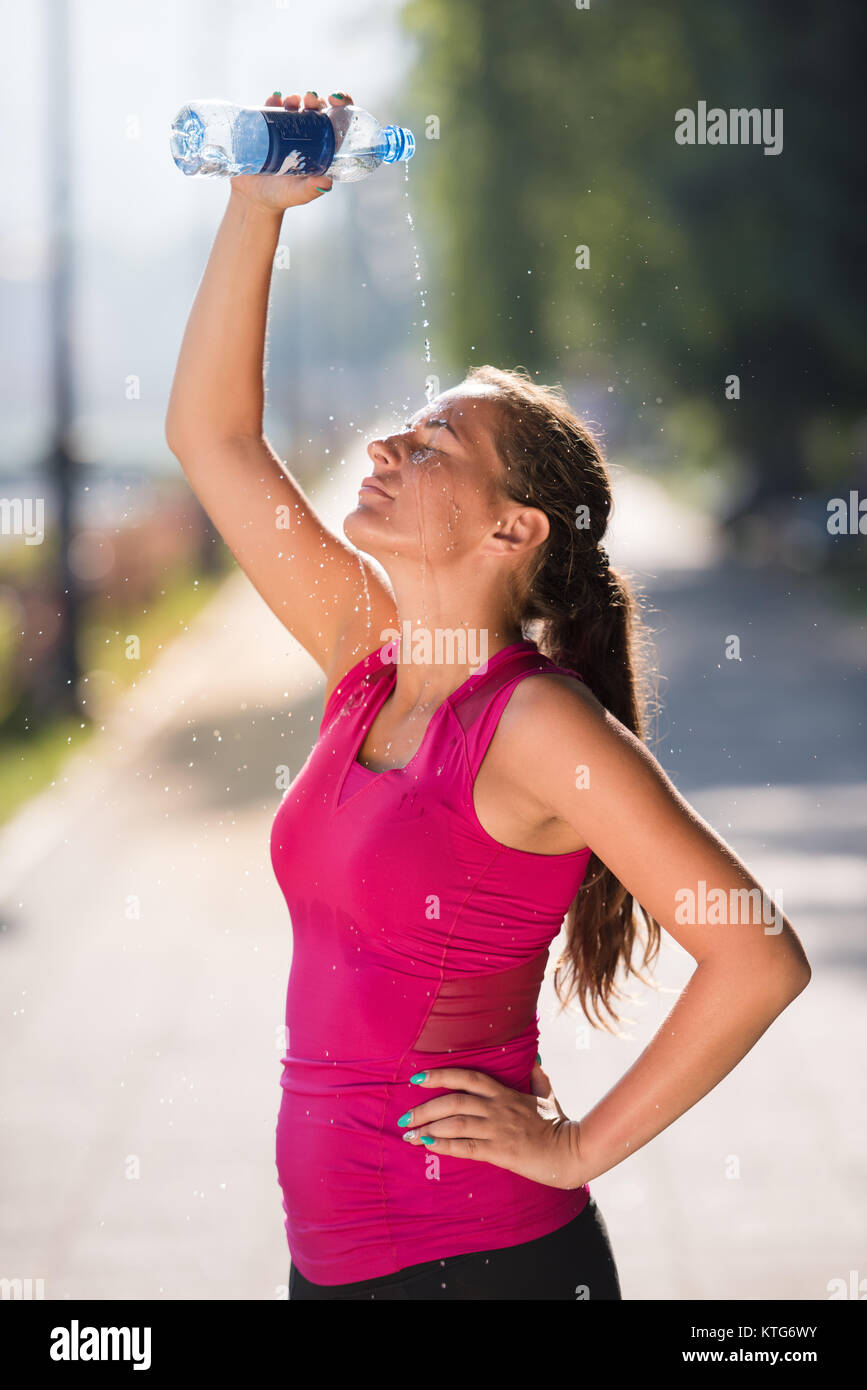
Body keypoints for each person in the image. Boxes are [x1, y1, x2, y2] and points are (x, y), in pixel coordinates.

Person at [165, 90, 812, 1301]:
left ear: (516, 525)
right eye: (398, 435)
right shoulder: (369, 661)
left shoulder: (537, 725)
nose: (382, 452)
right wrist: (255, 211)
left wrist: (576, 1146)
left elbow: (758, 956)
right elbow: (213, 439)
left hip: (478, 1266)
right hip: (342, 1266)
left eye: (430, 446)